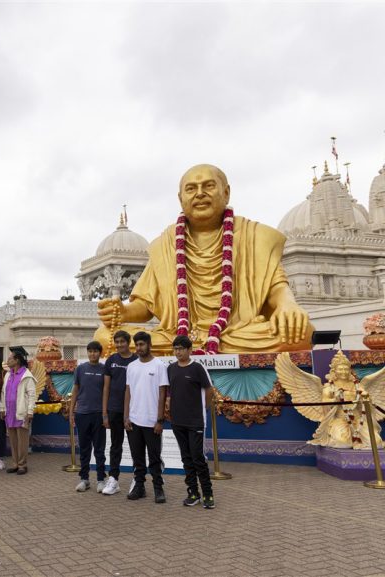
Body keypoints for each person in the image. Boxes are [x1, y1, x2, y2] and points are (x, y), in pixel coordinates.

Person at [97, 164, 311, 354]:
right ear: (181, 198)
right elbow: (145, 305)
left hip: (236, 332)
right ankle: (200, 347)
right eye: (191, 189)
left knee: (302, 333)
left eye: (208, 186)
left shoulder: (256, 236)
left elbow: (277, 289)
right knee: (104, 336)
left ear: (226, 193)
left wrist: (288, 306)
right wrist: (123, 311)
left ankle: (211, 347)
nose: (200, 194)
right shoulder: (165, 244)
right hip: (179, 337)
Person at [166, 335, 215, 509]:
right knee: (186, 458)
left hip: (195, 422)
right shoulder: (171, 368)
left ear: (189, 350)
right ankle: (193, 493)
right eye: (176, 348)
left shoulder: (197, 368)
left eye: (181, 348)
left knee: (198, 458)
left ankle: (208, 494)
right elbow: (171, 391)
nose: (178, 352)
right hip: (178, 421)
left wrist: (204, 407)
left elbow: (209, 390)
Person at [123, 331, 169, 503]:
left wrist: (159, 420)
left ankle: (158, 488)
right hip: (134, 420)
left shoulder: (159, 365)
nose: (139, 348)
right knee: (137, 458)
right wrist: (126, 417)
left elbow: (162, 394)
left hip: (152, 422)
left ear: (149, 345)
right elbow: (128, 392)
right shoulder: (132, 366)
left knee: (155, 458)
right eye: (137, 345)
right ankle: (139, 487)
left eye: (142, 344)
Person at [100, 330, 137, 495]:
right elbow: (106, 387)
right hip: (114, 410)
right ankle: (113, 479)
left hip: (133, 411)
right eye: (117, 342)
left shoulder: (137, 360)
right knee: (115, 446)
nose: (120, 344)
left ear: (129, 342)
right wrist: (105, 413)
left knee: (136, 446)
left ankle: (138, 478)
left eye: (123, 341)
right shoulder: (111, 360)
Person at [71, 341, 106, 493]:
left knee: (99, 449)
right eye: (90, 351)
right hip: (82, 414)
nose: (92, 354)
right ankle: (84, 479)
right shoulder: (80, 369)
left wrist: (105, 414)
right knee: (84, 449)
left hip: (98, 414)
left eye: (95, 351)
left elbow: (107, 392)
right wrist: (72, 411)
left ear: (100, 353)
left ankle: (100, 479)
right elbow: (75, 389)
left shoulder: (105, 370)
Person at [0, 346, 37, 475]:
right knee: (13, 439)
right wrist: (2, 408)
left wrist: (30, 411)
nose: (7, 361)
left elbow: (32, 395)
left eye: (10, 358)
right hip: (10, 412)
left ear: (17, 360)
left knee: (22, 440)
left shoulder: (27, 376)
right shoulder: (8, 375)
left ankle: (22, 464)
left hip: (21, 412)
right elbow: (3, 392)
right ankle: (15, 463)